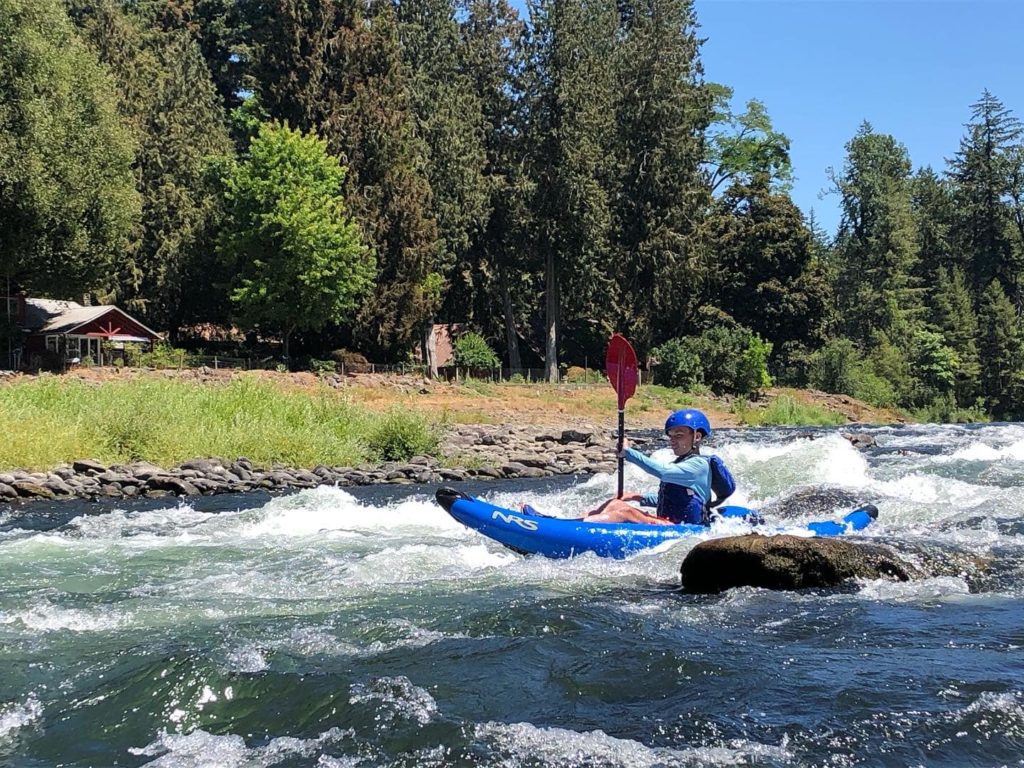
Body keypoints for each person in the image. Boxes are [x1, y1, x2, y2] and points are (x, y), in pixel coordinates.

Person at [582, 408, 716, 526]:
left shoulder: (699, 465)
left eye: (679, 435)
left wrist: (629, 453)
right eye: (671, 436)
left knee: (627, 513)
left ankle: (581, 528)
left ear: (697, 437)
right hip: (669, 522)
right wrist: (638, 497)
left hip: (686, 528)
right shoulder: (681, 464)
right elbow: (671, 499)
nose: (672, 440)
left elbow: (662, 472)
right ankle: (577, 522)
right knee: (615, 504)